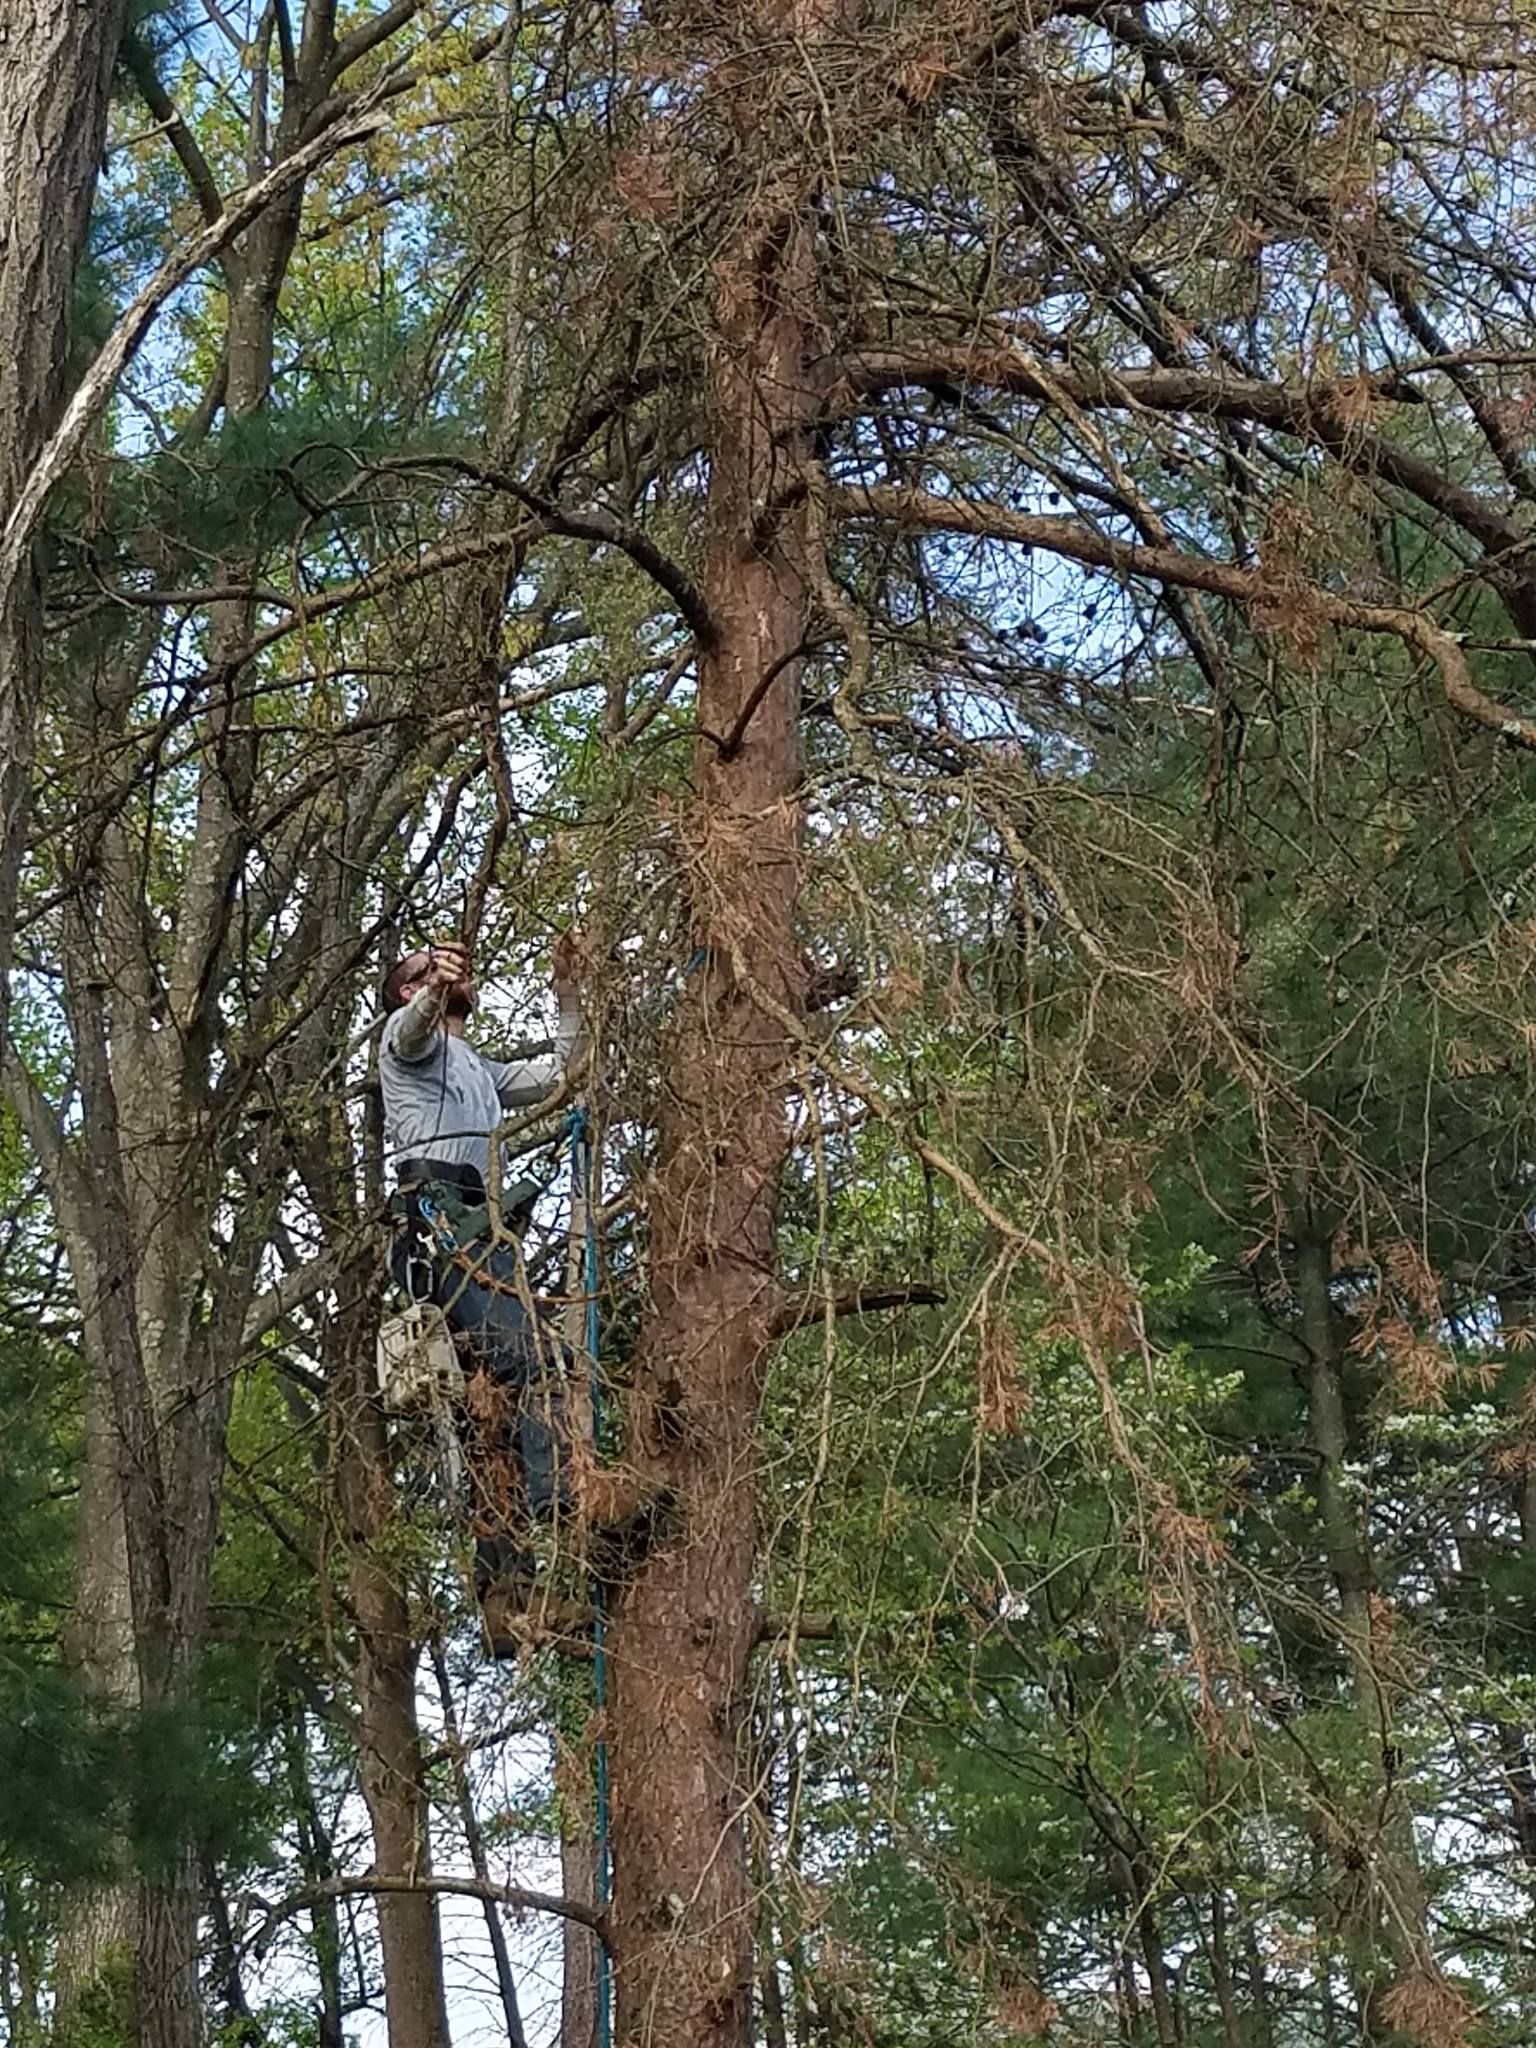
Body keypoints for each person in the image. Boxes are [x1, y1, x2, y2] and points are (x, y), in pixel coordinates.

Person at [378, 934, 586, 1653]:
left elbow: (564, 1069)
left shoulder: (479, 1069)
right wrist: (434, 987)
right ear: (411, 990)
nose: (438, 983)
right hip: (440, 1224)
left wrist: (567, 995)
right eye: (420, 976)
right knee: (535, 1362)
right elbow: (410, 1032)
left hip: (476, 1229)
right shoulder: (404, 1044)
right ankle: (560, 1502)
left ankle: (507, 1595)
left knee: (487, 1417)